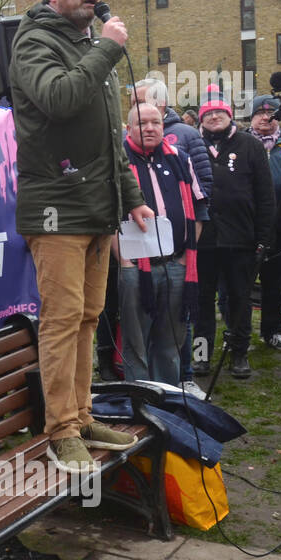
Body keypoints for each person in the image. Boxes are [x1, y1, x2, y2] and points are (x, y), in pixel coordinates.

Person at [10, 0, 152, 472]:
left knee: (89, 317)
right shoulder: (34, 42)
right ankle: (60, 429)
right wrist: (109, 53)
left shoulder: (90, 45)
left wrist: (132, 197)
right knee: (63, 319)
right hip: (56, 209)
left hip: (97, 207)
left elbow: (109, 141)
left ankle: (82, 413)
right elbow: (60, 99)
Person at [116, 102, 206, 384]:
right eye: (143, 123)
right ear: (129, 128)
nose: (151, 128)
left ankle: (165, 401)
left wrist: (183, 259)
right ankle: (139, 403)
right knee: (136, 342)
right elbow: (105, 216)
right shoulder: (116, 162)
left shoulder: (179, 158)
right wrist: (124, 262)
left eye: (156, 122)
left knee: (171, 342)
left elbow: (200, 210)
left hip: (177, 264)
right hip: (134, 268)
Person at [194, 90, 274, 380]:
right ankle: (201, 354)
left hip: (241, 238)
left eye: (220, 113)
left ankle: (239, 352)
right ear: (202, 119)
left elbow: (265, 195)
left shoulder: (250, 145)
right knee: (201, 301)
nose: (215, 117)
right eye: (208, 114)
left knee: (240, 298)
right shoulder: (193, 144)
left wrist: (264, 237)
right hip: (203, 239)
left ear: (230, 116)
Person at [248, 96, 281, 355]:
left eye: (270, 114)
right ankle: (237, 335)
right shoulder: (241, 144)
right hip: (246, 228)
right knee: (239, 286)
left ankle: (272, 331)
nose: (265, 118)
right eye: (259, 113)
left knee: (275, 285)